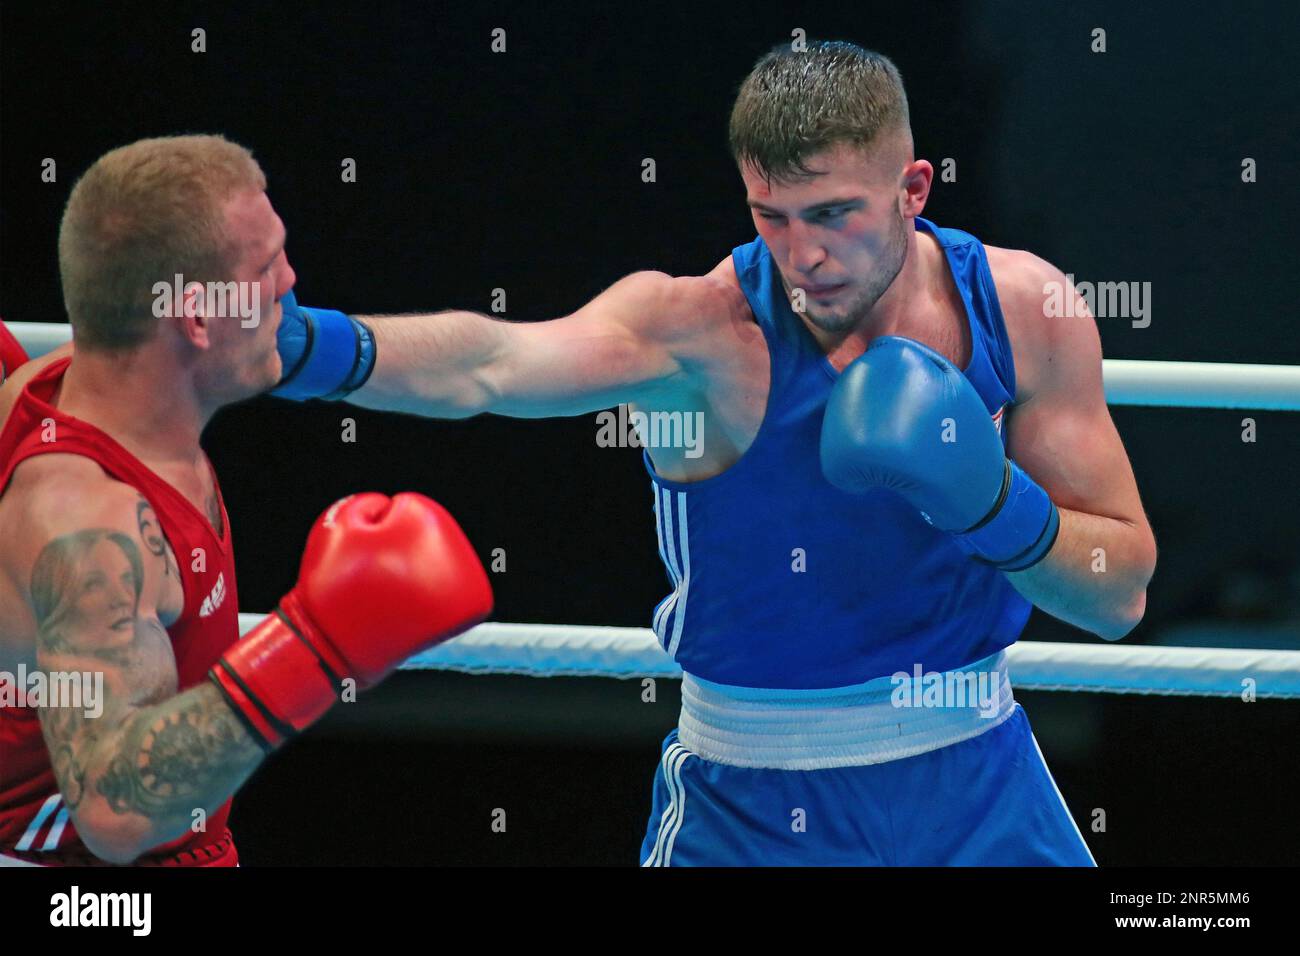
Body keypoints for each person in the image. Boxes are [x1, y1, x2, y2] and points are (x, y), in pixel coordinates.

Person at [277, 40, 1156, 865]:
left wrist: (992, 502)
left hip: (975, 770)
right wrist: (296, 346)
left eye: (834, 214)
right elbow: (490, 364)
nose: (803, 255)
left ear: (913, 187)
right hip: (754, 800)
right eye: (770, 217)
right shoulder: (697, 333)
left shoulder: (1023, 308)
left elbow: (1120, 593)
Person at [0, 136, 492, 866]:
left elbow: (478, 363)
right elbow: (113, 812)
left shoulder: (100, 377)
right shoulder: (87, 523)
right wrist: (315, 649)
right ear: (196, 319)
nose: (290, 283)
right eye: (267, 269)